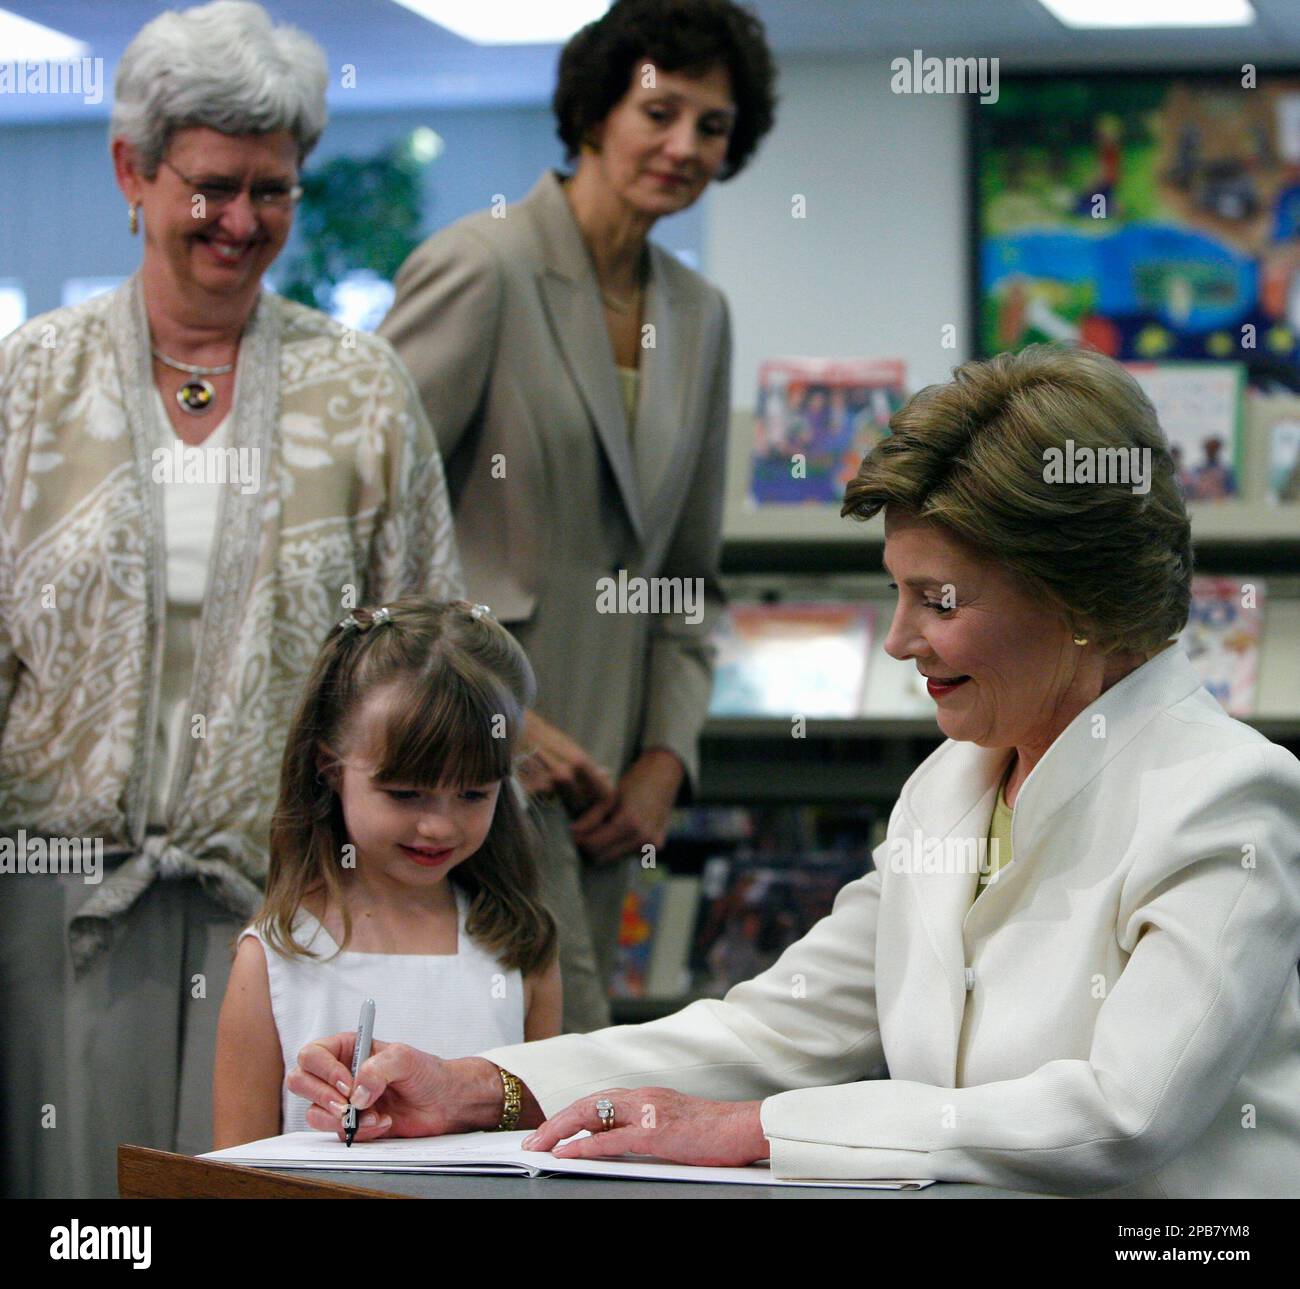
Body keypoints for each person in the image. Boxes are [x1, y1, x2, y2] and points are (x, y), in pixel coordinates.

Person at [289, 346, 1300, 1198]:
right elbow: (779, 1021)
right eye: (894, 595)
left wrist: (755, 1128)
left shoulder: (1221, 798)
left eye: (939, 601)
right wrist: (480, 1084)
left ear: (1081, 598)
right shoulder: (950, 785)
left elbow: (1122, 1114)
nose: (901, 638)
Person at [0, 1, 462, 1198]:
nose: (242, 221)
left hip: (291, 906)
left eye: (274, 189)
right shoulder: (28, 383)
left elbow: (425, 662)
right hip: (51, 908)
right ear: (132, 173)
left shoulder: (359, 390)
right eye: (211, 185)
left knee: (251, 1203)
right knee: (76, 1208)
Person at [378, 0, 777, 1032]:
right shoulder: (484, 264)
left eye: (713, 125)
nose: (683, 144)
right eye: (660, 111)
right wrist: (496, 713)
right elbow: (365, 525)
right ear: (596, 113)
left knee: (567, 1075)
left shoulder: (702, 314)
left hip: (608, 800)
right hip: (466, 776)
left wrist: (665, 763)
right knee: (499, 1083)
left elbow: (692, 572)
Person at [213, 599, 559, 1147]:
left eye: (473, 794)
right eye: (405, 793)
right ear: (330, 768)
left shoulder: (520, 945)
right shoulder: (275, 960)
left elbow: (548, 1123)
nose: (439, 826)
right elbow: (231, 1174)